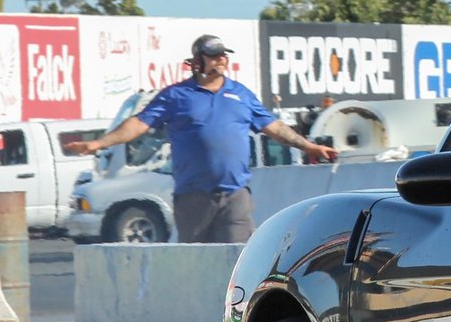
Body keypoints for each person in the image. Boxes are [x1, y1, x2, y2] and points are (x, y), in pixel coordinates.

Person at [64, 35, 335, 243]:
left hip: (235, 196)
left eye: (223, 56)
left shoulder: (241, 94)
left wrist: (310, 146)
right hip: (193, 198)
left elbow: (274, 128)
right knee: (197, 261)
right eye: (213, 55)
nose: (220, 61)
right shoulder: (176, 96)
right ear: (197, 61)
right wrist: (99, 144)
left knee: (238, 261)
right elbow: (138, 124)